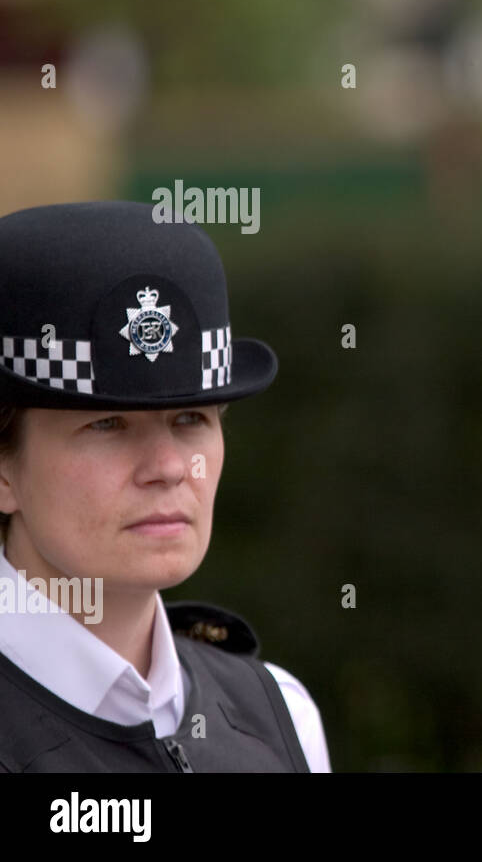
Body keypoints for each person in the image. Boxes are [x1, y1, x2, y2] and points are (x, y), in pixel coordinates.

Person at [0, 200, 329, 772]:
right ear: (4, 471)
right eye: (106, 425)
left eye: (192, 419)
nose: (170, 467)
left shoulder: (281, 717)